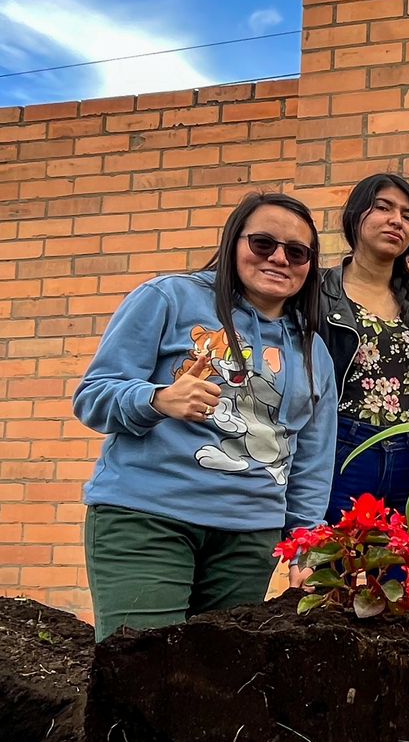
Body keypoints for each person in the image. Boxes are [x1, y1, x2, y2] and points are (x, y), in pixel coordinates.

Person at [74, 191, 337, 641]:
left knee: (213, 687)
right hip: (148, 518)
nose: (279, 258)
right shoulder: (169, 297)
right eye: (263, 244)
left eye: (296, 252)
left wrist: (305, 547)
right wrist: (157, 399)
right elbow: (93, 396)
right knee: (139, 673)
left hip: (248, 537)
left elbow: (312, 461)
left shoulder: (313, 350)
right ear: (235, 242)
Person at [320, 172, 409, 518]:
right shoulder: (318, 290)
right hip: (340, 450)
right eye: (383, 207)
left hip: (408, 457)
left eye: (408, 216)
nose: (396, 221)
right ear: (356, 215)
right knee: (332, 565)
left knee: (402, 570)